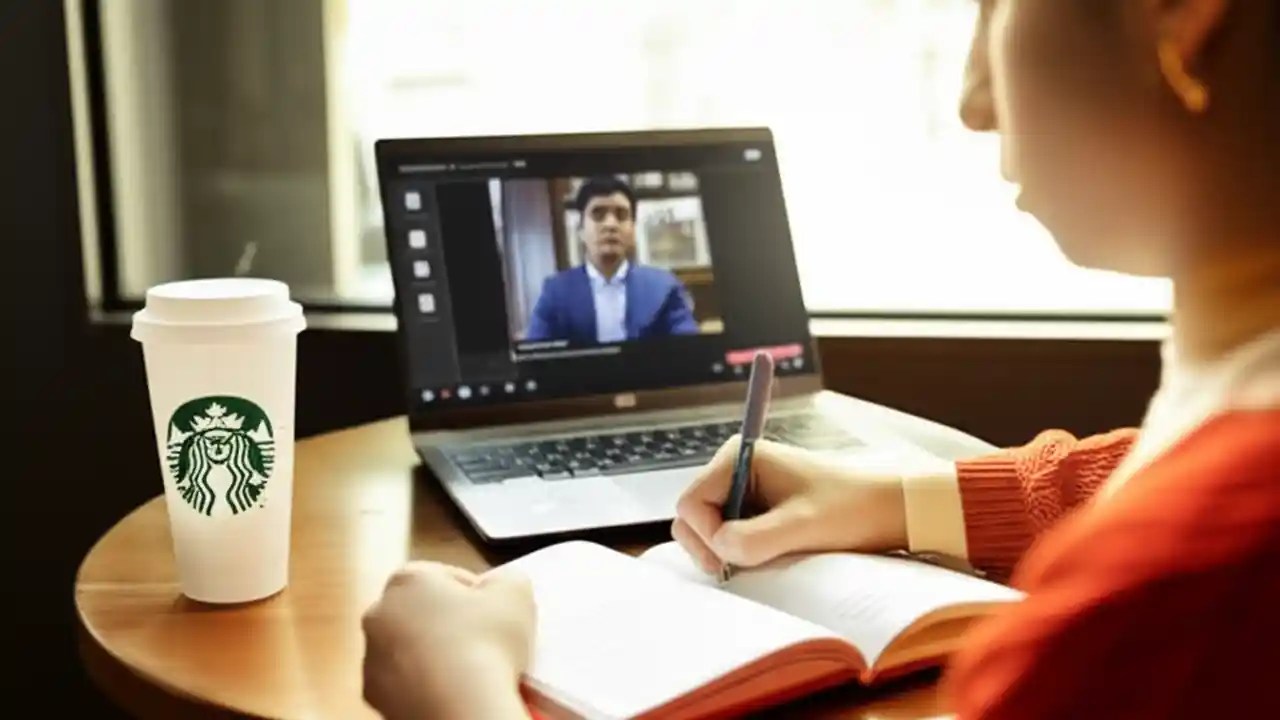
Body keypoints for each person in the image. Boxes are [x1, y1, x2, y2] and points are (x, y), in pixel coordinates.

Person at [361, 1, 1280, 717]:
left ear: (1179, 15)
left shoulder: (1163, 608)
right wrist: (893, 498)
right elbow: (1138, 471)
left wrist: (455, 690)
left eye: (993, 9)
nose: (972, 101)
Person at [522, 175, 700, 344]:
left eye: (621, 215)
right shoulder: (556, 291)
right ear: (581, 229)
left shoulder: (664, 288)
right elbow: (536, 356)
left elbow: (688, 350)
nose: (610, 224)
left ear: (632, 229)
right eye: (598, 215)